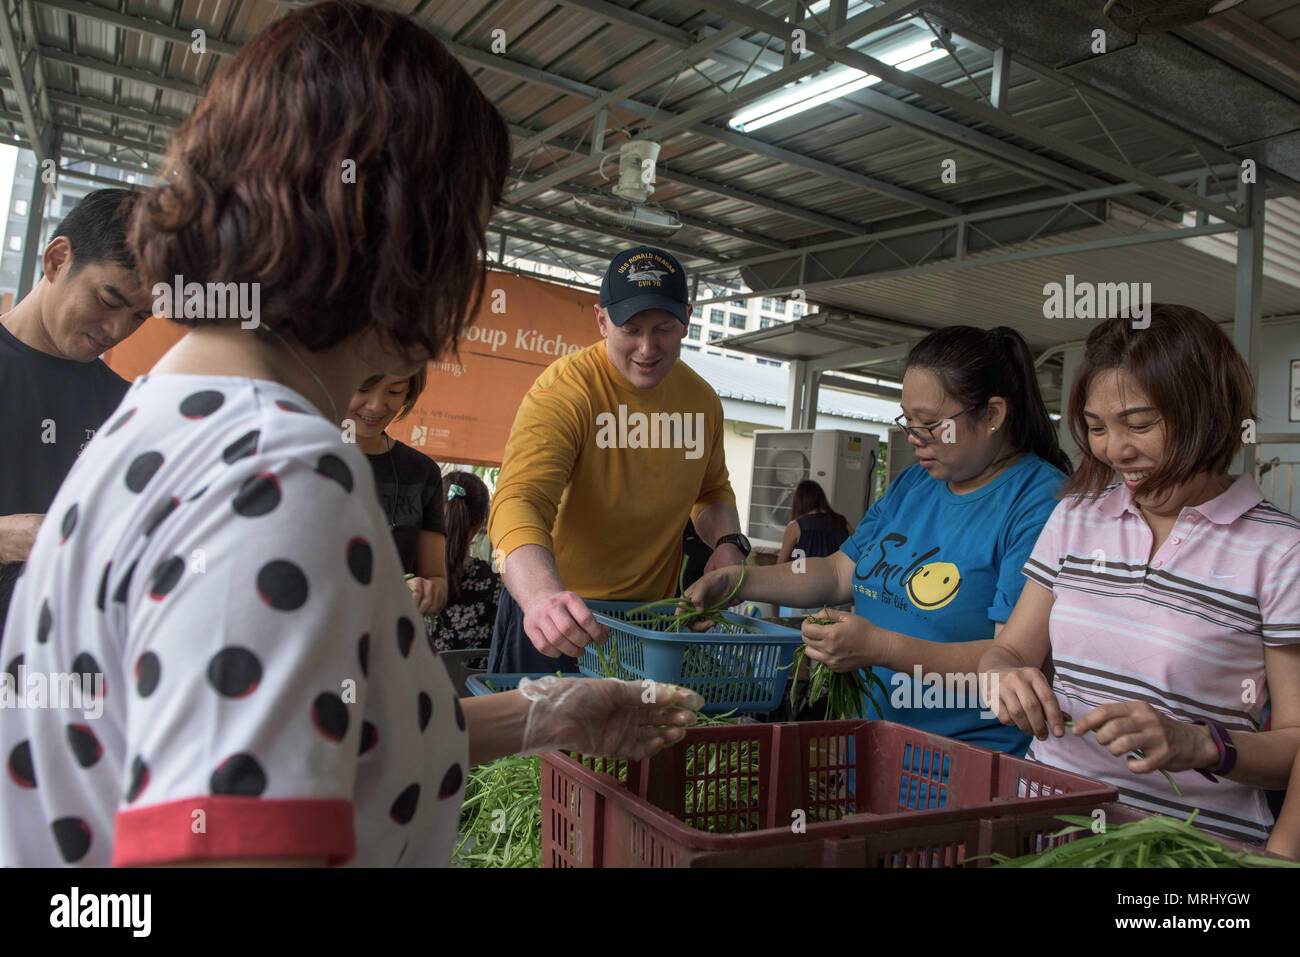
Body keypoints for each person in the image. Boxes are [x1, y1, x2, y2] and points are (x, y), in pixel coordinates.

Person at [0, 1, 700, 869]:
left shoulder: (169, 409)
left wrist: (545, 715)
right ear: (406, 235)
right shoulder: (274, 475)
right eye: (466, 228)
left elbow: (319, 724)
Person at [979, 305, 1300, 844]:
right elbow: (1009, 652)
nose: (1115, 450)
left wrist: (1201, 745)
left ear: (1209, 411)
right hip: (1047, 824)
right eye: (1097, 428)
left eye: (1140, 424)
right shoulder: (1075, 515)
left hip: (1187, 850)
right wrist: (1003, 678)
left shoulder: (1280, 549)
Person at [686, 326, 1070, 754]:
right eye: (908, 421)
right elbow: (836, 571)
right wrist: (739, 581)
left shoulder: (1039, 502)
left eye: (930, 424)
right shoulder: (914, 485)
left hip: (961, 764)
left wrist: (881, 648)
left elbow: (1010, 657)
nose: (913, 438)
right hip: (867, 747)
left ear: (994, 414)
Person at [486, 245, 748, 674]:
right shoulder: (565, 391)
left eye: (664, 327)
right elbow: (520, 500)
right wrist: (540, 598)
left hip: (651, 621)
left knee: (639, 739)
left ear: (687, 317)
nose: (647, 348)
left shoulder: (701, 401)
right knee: (540, 742)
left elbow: (712, 489)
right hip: (557, 614)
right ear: (601, 320)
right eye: (631, 328)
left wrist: (728, 544)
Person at [0, 189, 154, 644]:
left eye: (140, 317)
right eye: (108, 300)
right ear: (57, 257)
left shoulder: (130, 409)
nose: (117, 331)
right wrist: (7, 536)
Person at [346, 368, 448, 616]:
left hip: (383, 635)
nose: (375, 406)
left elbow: (436, 579)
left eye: (395, 391)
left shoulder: (421, 472)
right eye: (363, 388)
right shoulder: (299, 456)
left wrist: (427, 590)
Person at [433, 471, 501, 652]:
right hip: (473, 680)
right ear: (480, 524)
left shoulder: (411, 574)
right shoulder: (495, 581)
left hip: (416, 678)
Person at [776, 479, 852, 618]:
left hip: (808, 594)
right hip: (839, 595)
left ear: (799, 501)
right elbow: (855, 555)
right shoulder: (843, 522)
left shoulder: (795, 526)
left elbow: (780, 565)